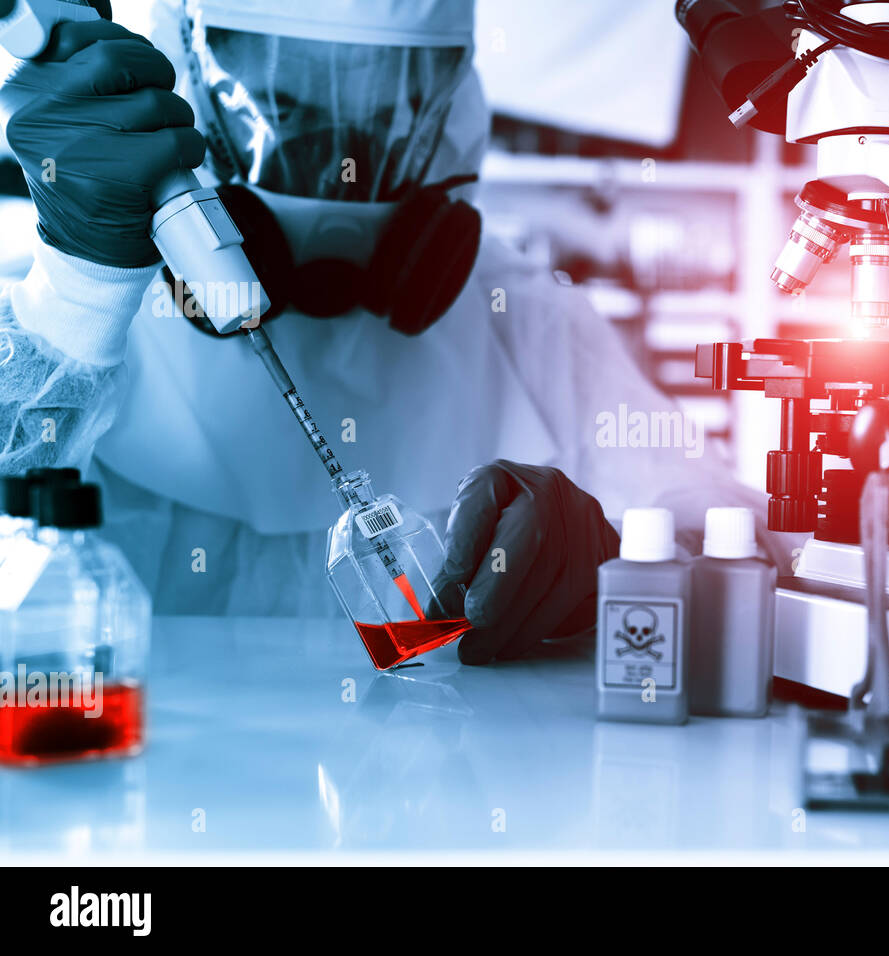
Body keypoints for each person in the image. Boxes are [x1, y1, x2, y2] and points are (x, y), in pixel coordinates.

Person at [0, 0, 779, 663]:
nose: (339, 167)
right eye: (291, 118)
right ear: (191, 93)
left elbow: (742, 558)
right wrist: (81, 297)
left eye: (384, 123)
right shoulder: (82, 309)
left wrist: (615, 562)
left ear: (452, 107)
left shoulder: (523, 316)